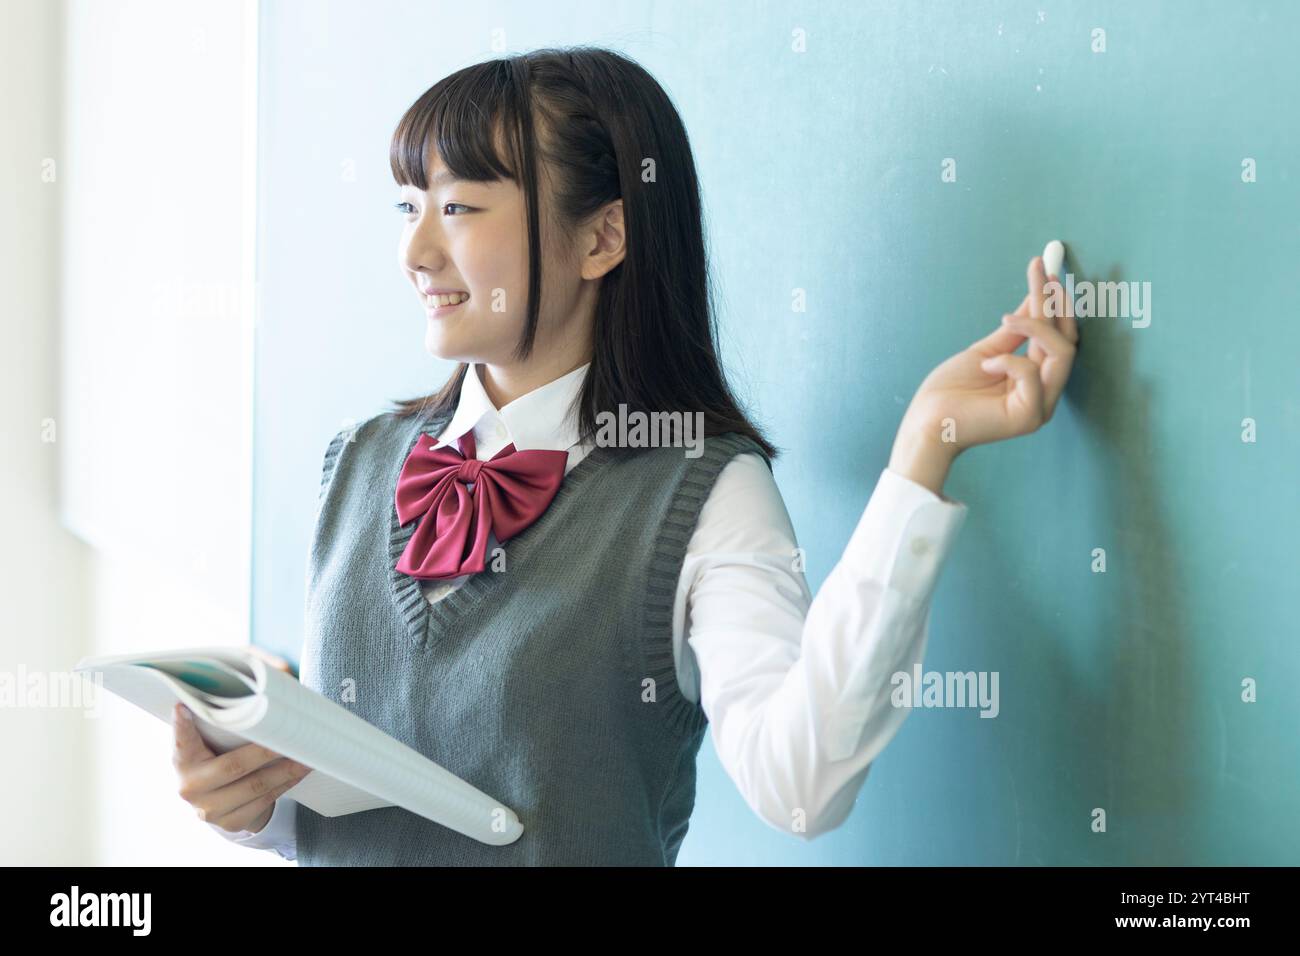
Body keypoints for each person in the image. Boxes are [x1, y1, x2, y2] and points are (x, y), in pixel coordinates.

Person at [173, 46, 1077, 865]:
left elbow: (801, 787)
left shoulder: (703, 490)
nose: (415, 250)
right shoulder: (358, 463)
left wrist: (922, 454)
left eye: (456, 208)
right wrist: (249, 803)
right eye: (408, 208)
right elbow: (352, 824)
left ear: (602, 237)